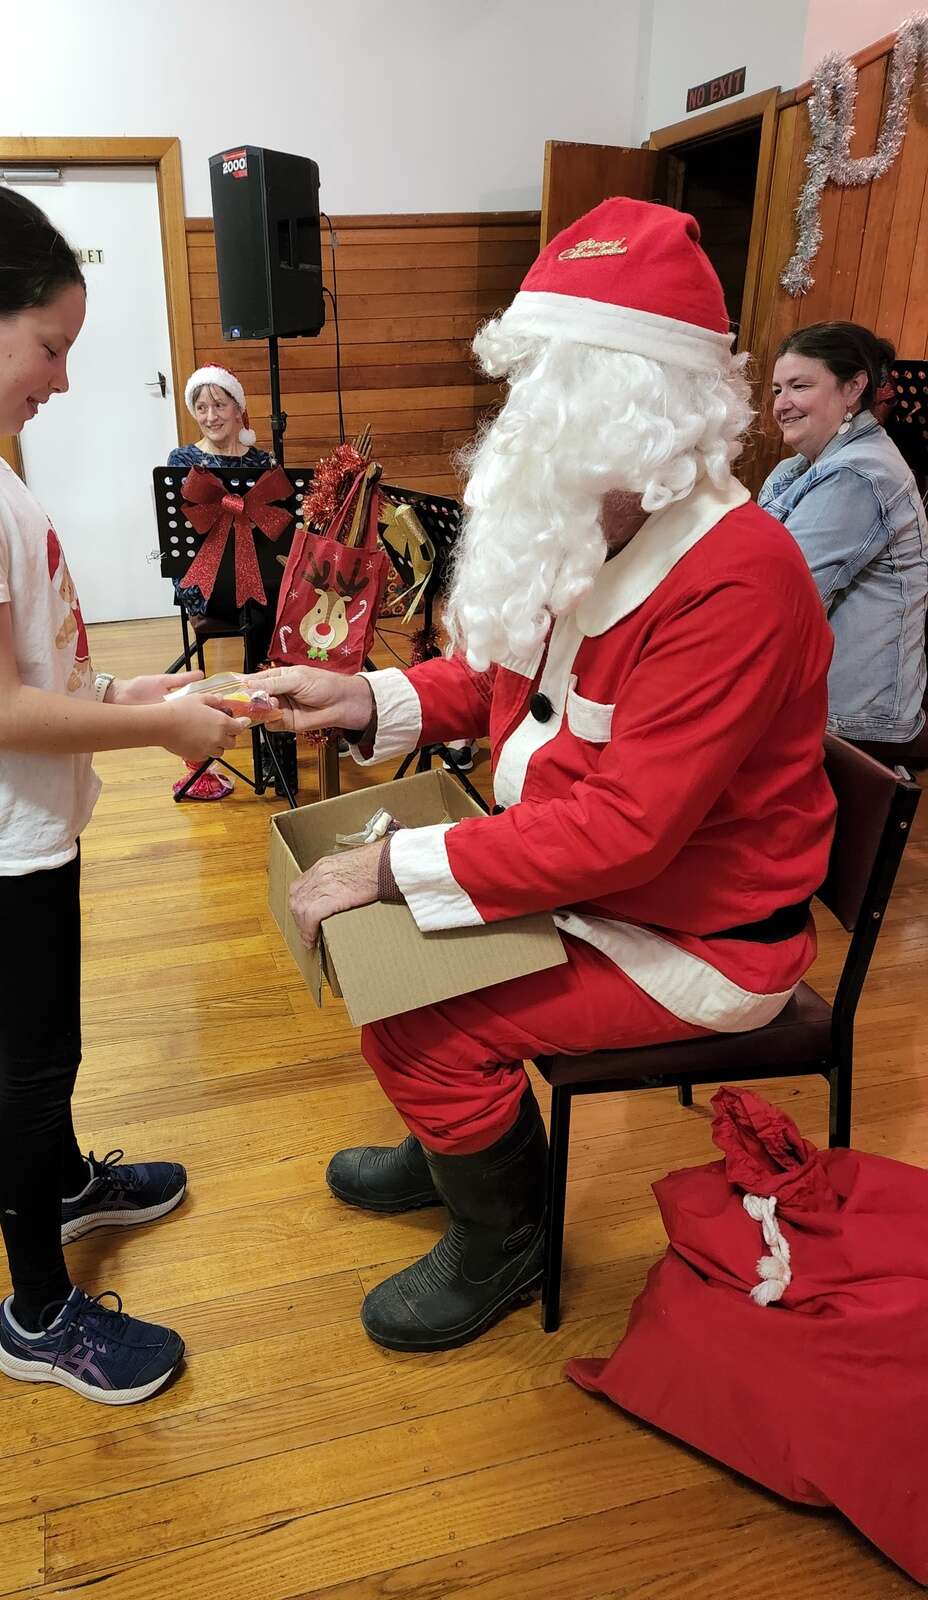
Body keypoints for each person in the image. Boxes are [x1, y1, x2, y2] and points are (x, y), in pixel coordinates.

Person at [253, 198, 836, 1354]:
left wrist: (394, 867)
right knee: (396, 977)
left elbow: (627, 832)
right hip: (611, 888)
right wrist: (369, 695)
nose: (513, 433)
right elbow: (505, 680)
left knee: (417, 1017)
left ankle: (507, 1236)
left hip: (699, 938)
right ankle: (457, 1149)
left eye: (541, 403)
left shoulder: (736, 577)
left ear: (627, 419)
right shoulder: (604, 519)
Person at [0, 185, 251, 1404]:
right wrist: (162, 726)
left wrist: (132, 689)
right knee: (36, 1064)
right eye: (51, 346)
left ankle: (65, 1184)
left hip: (4, 818)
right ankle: (38, 1312)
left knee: (39, 1056)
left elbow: (27, 667)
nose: (61, 379)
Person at [761, 321, 928, 756]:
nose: (782, 404)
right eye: (778, 389)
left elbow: (779, 601)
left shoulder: (859, 473)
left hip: (851, 722)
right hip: (814, 703)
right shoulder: (795, 468)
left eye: (800, 385)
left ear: (854, 387)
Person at [166, 366, 275, 800]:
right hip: (208, 581)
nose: (210, 415)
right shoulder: (182, 461)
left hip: (257, 581)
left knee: (273, 608)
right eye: (201, 406)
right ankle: (265, 726)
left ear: (238, 408)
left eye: (219, 404)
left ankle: (270, 732)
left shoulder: (262, 463)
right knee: (266, 614)